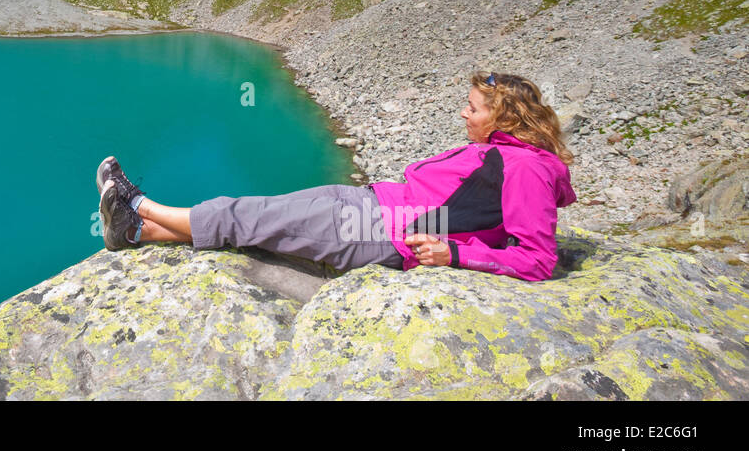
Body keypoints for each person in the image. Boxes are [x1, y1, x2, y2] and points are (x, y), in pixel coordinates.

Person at [96, 71, 578, 282]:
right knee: (267, 218)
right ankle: (138, 232)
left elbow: (536, 259)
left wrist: (454, 253)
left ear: (505, 115)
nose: (463, 114)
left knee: (253, 216)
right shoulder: (503, 149)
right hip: (375, 206)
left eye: (472, 109)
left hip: (383, 234)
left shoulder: (528, 169)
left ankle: (139, 207)